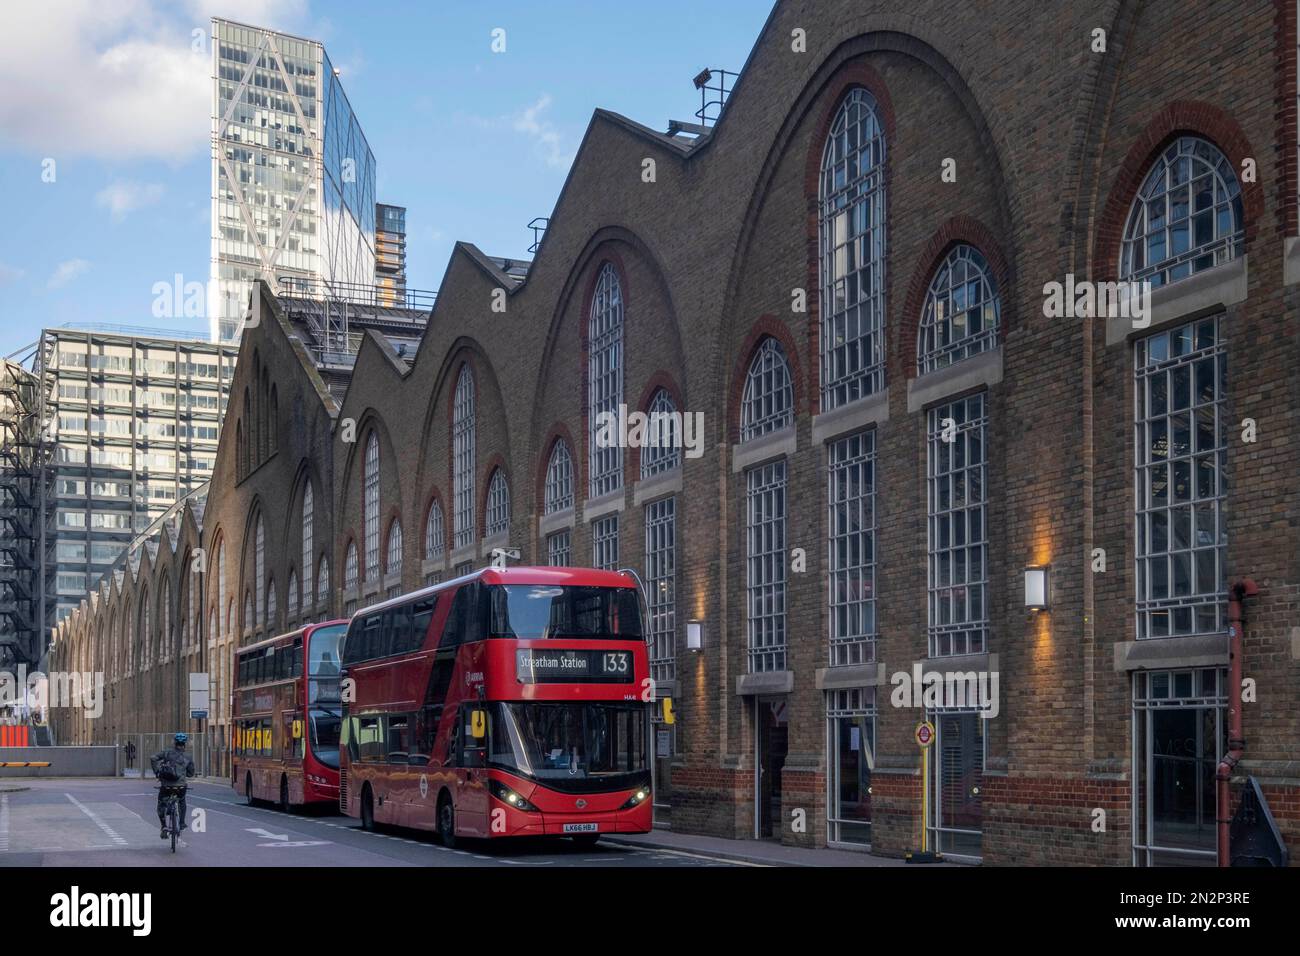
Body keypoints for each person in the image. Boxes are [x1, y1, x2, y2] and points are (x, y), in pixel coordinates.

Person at [150, 733, 195, 839]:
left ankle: (164, 826)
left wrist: (156, 772)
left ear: (174, 742)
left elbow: (153, 758)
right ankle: (182, 823)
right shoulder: (188, 756)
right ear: (184, 743)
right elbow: (190, 773)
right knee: (182, 801)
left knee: (161, 803)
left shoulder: (166, 752)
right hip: (181, 787)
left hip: (166, 786)